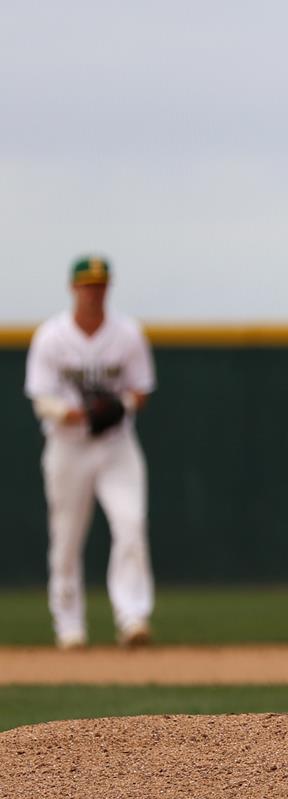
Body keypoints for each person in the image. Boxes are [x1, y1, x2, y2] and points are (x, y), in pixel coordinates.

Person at [24, 255, 157, 649]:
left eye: (100, 285)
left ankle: (132, 617)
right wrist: (73, 413)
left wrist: (120, 406)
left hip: (116, 446)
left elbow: (141, 390)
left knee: (131, 524)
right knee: (66, 537)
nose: (94, 292)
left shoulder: (127, 334)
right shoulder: (51, 336)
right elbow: (41, 399)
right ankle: (69, 626)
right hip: (68, 447)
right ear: (73, 288)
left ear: (108, 288)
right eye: (87, 285)